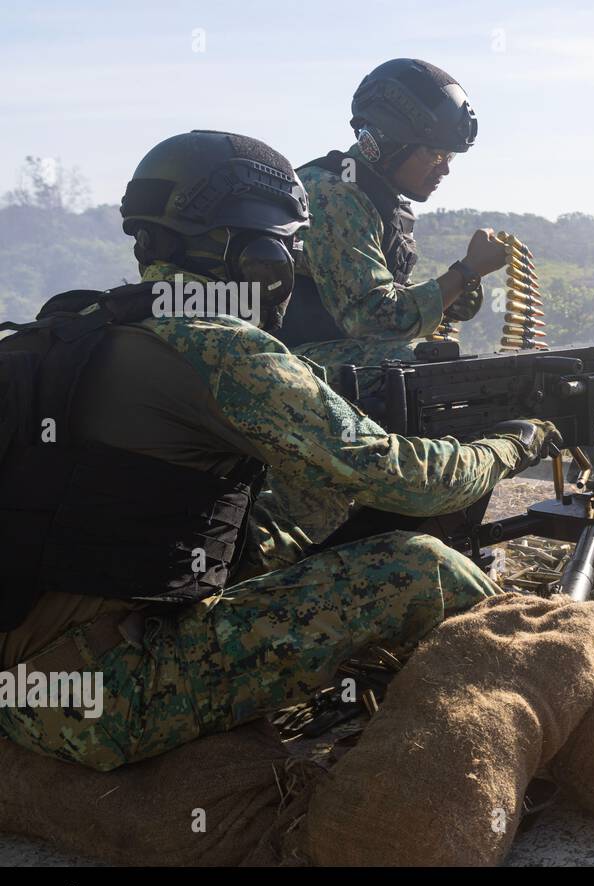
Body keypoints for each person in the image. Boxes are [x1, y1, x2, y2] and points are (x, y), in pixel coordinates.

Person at [0, 130, 560, 772]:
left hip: (29, 673)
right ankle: (563, 666)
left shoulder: (75, 327)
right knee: (418, 567)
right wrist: (521, 438)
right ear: (255, 254)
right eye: (286, 253)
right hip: (101, 699)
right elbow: (413, 482)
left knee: (279, 520)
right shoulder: (220, 347)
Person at [278, 58, 508, 396]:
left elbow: (381, 295)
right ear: (386, 143)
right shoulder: (335, 194)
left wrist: (460, 287)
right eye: (434, 154)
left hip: (323, 357)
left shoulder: (378, 199)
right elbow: (375, 320)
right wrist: (466, 271)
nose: (444, 171)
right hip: (286, 363)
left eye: (450, 157)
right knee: (411, 368)